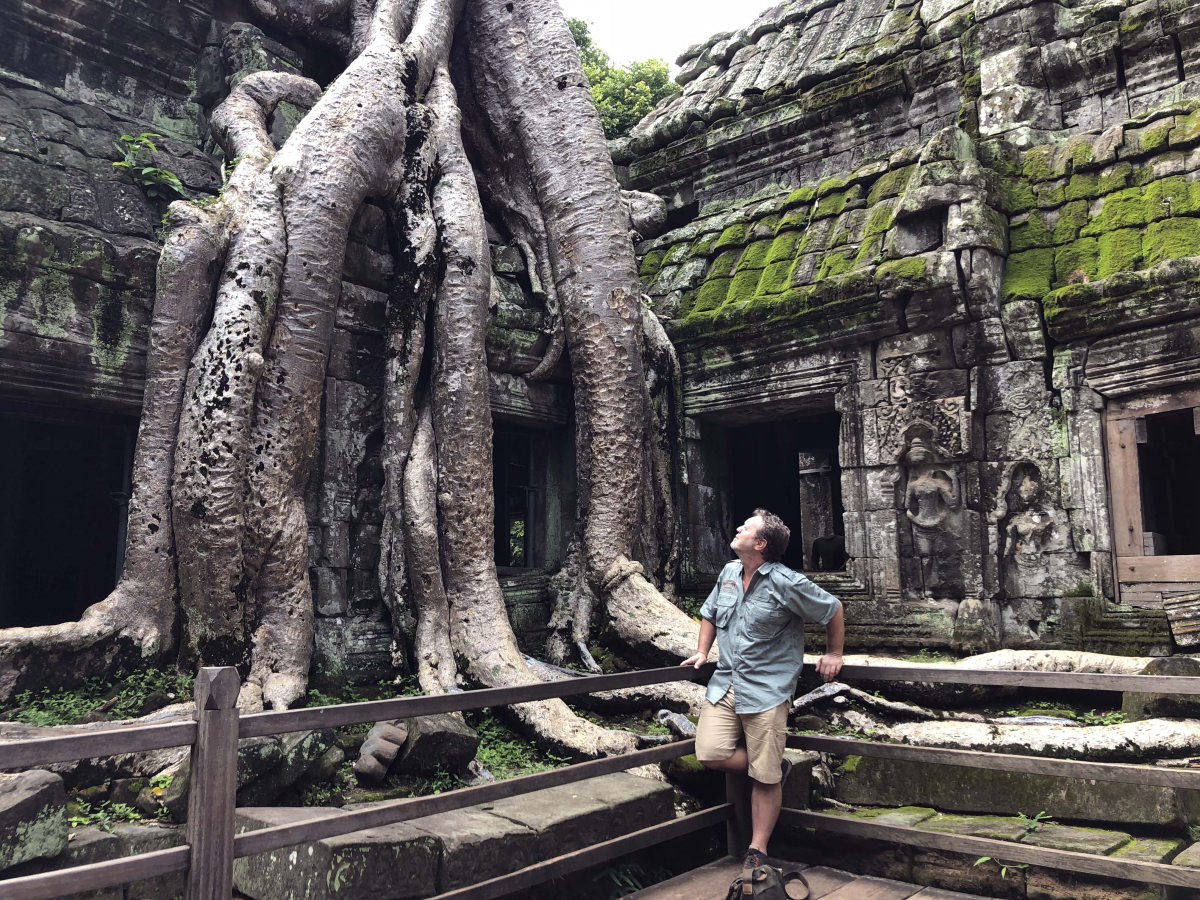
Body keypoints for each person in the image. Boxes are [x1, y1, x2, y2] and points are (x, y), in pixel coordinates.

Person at [681, 508, 844, 870]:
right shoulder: (728, 572)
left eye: (746, 527)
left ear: (760, 543)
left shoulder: (787, 582)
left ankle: (757, 848)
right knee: (710, 753)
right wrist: (701, 651)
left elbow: (833, 608)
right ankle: (770, 766)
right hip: (726, 683)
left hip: (768, 689)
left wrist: (833, 653)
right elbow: (709, 613)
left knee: (764, 777)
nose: (737, 528)